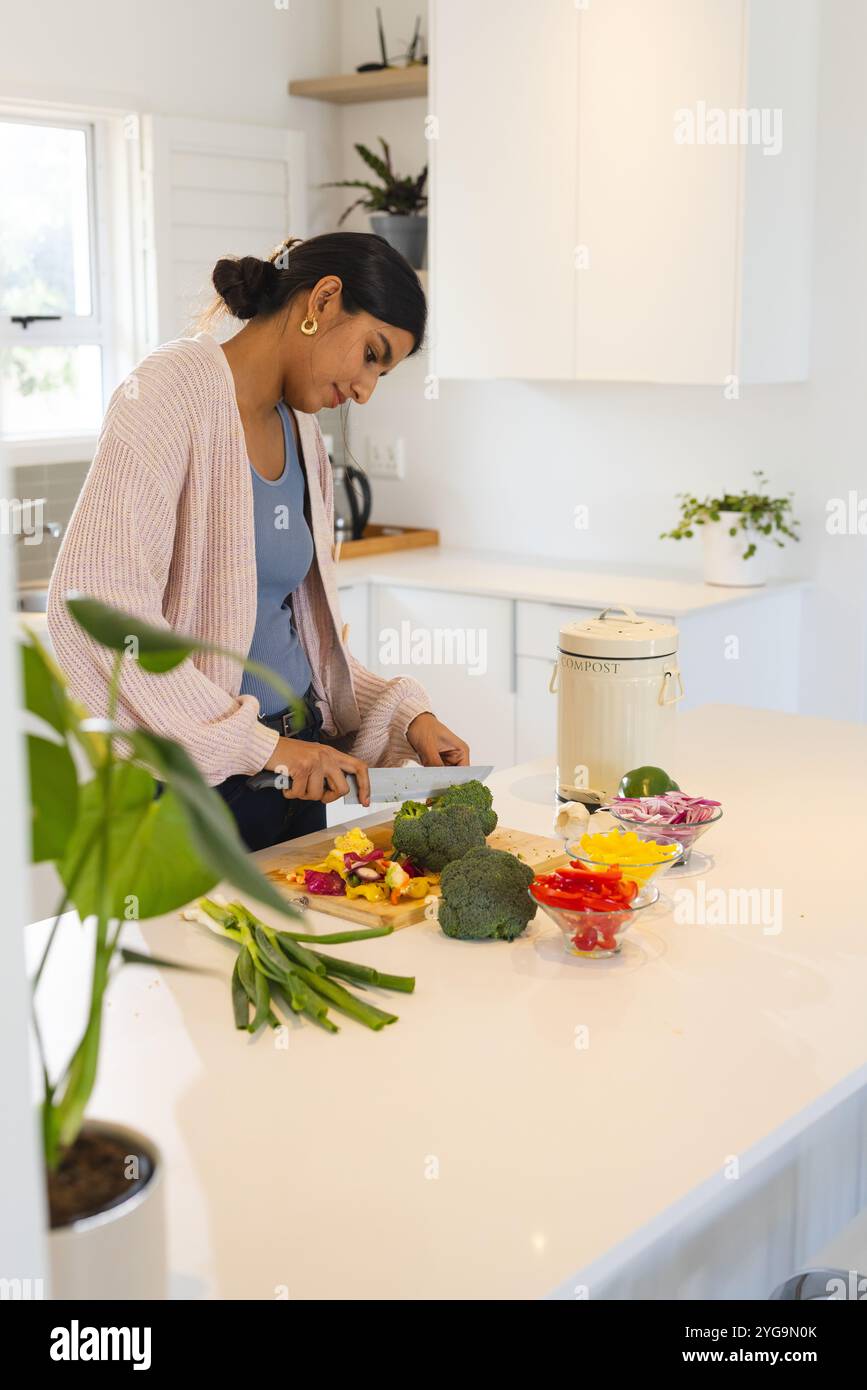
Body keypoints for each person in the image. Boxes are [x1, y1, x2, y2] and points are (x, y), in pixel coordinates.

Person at [48, 232, 469, 850]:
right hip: (195, 789)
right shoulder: (171, 394)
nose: (365, 390)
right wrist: (261, 746)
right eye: (371, 355)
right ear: (323, 301)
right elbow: (91, 609)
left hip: (299, 774)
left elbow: (296, 643)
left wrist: (407, 717)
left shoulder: (300, 432)